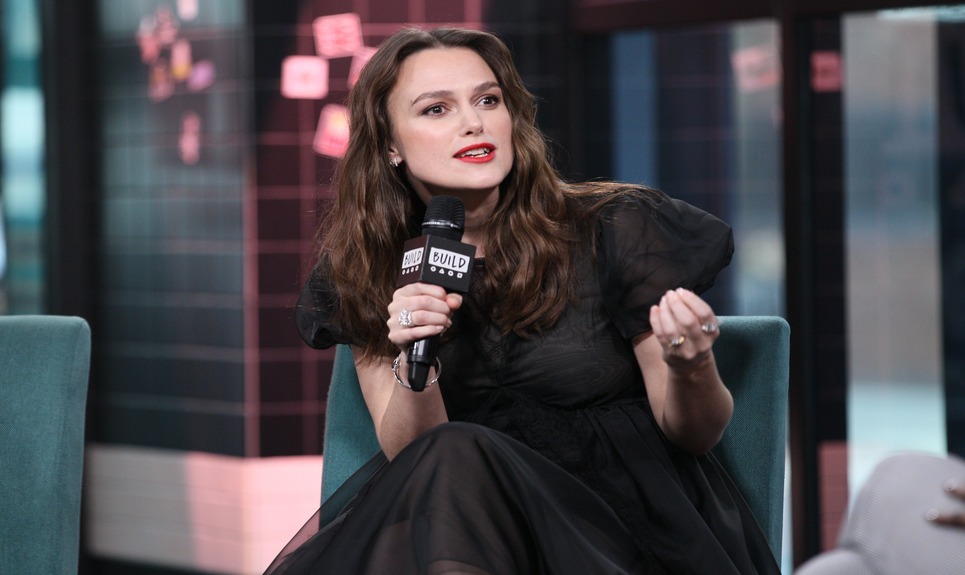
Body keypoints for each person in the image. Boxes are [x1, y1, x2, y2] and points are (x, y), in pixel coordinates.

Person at [266, 26, 780, 575]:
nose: (473, 123)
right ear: (390, 144)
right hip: (476, 528)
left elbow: (695, 434)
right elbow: (413, 456)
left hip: (622, 529)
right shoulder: (369, 267)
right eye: (437, 109)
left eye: (488, 100)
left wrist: (692, 365)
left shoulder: (613, 227)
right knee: (450, 457)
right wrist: (417, 357)